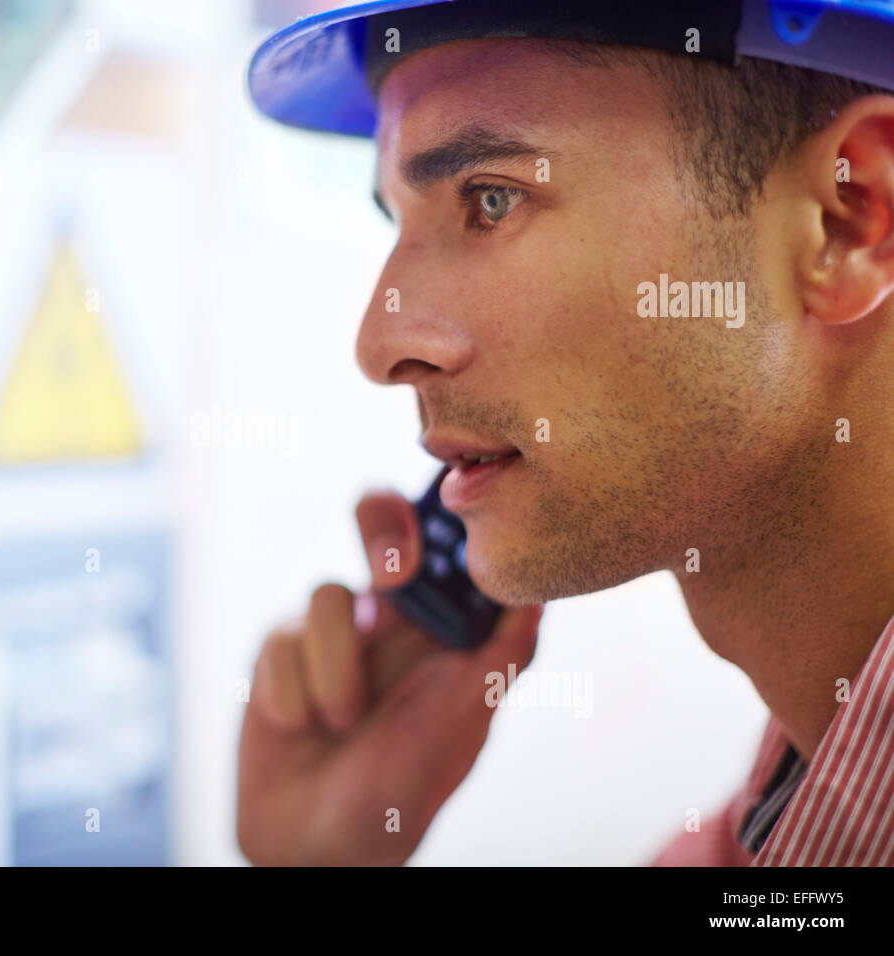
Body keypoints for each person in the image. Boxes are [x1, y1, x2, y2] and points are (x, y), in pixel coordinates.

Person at [237, 0, 894, 866]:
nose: (381, 346)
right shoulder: (780, 837)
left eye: (492, 199)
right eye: (397, 221)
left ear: (849, 218)